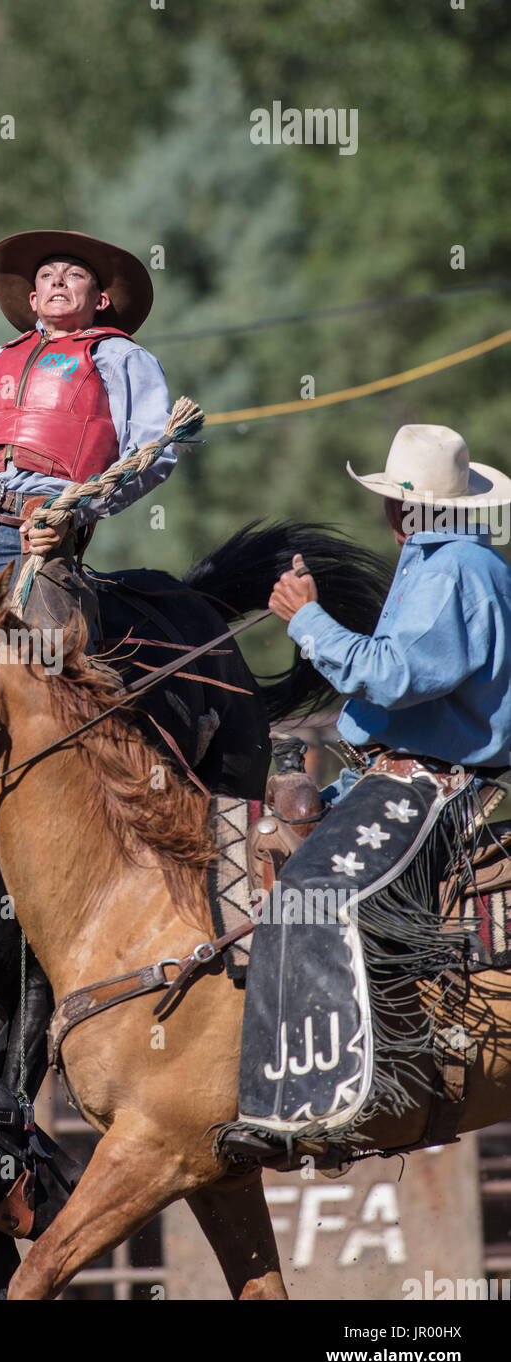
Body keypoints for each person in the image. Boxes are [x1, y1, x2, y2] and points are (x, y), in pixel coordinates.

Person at [221, 422, 511, 1163]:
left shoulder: (452, 573)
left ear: (403, 510)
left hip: (426, 783)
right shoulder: (448, 564)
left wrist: (306, 619)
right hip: (400, 773)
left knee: (310, 894)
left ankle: (323, 1103)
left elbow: (389, 676)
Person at [0, 229, 184, 639]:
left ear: (100, 300)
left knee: (51, 665)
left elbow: (154, 455)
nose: (59, 281)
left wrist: (72, 514)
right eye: (47, 276)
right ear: (34, 299)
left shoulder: (121, 356)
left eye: (75, 275)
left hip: (37, 542)